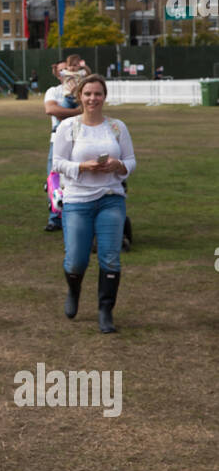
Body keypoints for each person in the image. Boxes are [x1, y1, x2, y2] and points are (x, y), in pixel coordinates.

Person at [52, 72, 136, 331]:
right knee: (76, 260)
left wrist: (118, 165)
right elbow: (57, 163)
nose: (92, 98)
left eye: (98, 94)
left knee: (110, 258)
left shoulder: (117, 127)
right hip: (77, 200)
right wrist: (82, 167)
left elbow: (131, 161)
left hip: (111, 199)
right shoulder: (68, 126)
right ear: (80, 96)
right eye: (88, 94)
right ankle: (74, 290)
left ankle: (105, 311)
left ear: (104, 96)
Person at [42, 60, 83, 230]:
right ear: (57, 74)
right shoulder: (53, 91)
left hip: (80, 139)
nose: (66, 73)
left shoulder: (83, 90)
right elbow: (51, 110)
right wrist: (78, 112)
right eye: (61, 71)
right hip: (58, 139)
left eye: (68, 69)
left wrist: (65, 114)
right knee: (55, 178)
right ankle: (55, 218)